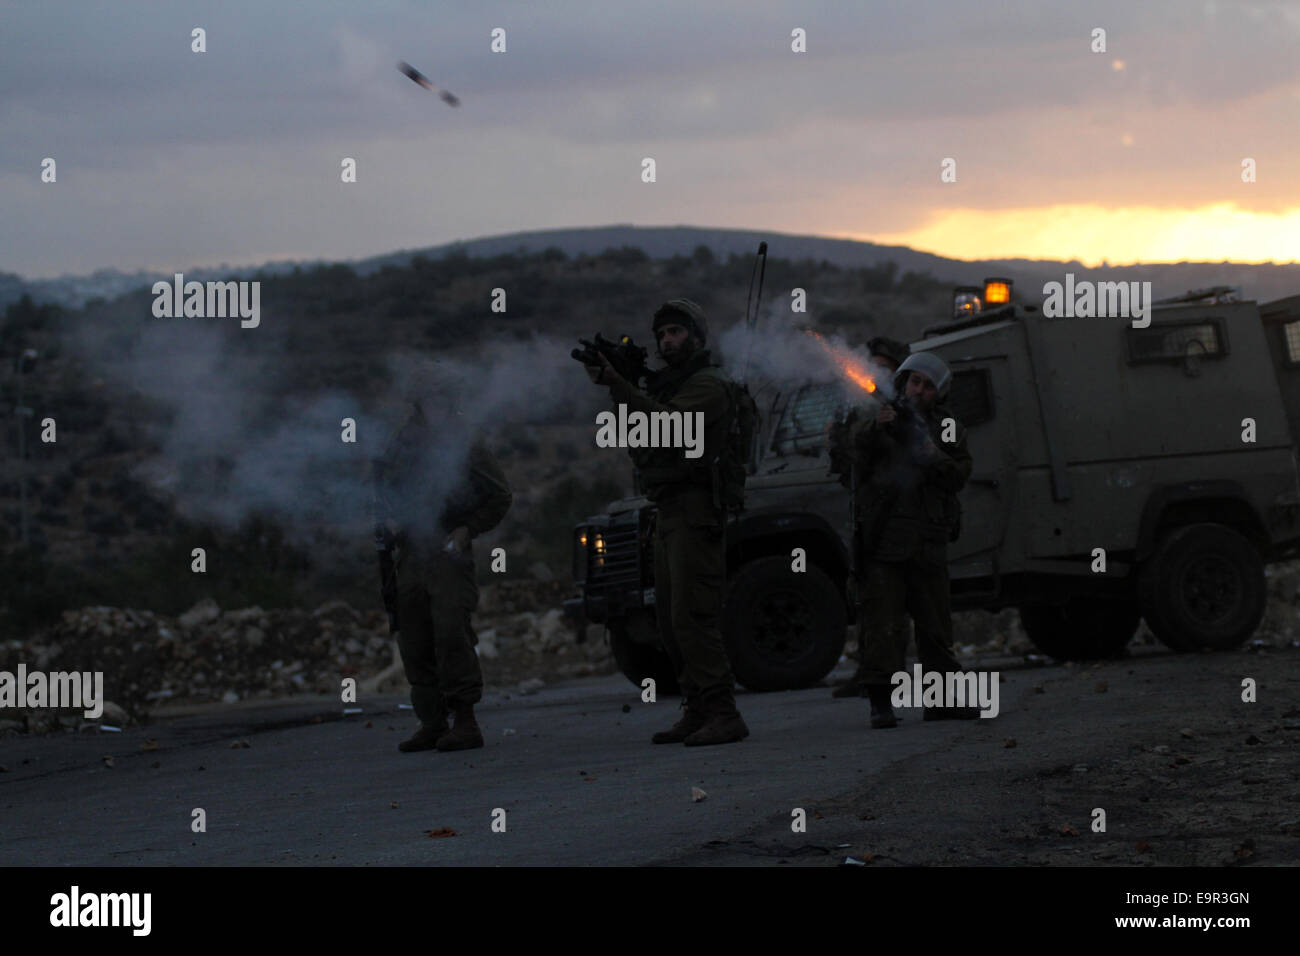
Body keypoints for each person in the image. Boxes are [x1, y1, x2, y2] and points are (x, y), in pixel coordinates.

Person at [583, 298, 749, 746]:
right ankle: (697, 708)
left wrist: (622, 384)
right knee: (671, 622)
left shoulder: (709, 386)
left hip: (697, 511)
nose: (667, 341)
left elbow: (670, 429)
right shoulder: (668, 387)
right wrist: (619, 385)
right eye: (661, 335)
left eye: (676, 332)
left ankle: (723, 711)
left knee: (694, 617)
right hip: (668, 510)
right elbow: (637, 434)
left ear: (696, 337)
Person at [837, 351, 975, 726]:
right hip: (884, 542)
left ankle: (942, 701)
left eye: (929, 386)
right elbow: (848, 454)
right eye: (915, 381)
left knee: (935, 627)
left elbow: (959, 474)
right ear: (903, 381)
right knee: (882, 625)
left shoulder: (946, 428)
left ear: (939, 394)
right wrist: (876, 430)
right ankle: (881, 703)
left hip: (928, 540)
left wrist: (931, 456)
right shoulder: (875, 417)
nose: (920, 390)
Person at [375, 392, 512, 753]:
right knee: (413, 637)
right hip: (411, 550)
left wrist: (468, 529)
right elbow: (386, 489)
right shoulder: (402, 443)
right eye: (426, 401)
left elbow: (499, 496)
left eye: (439, 400)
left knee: (451, 632)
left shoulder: (464, 442)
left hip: (448, 551)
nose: (433, 409)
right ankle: (431, 722)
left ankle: (465, 721)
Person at [827, 335, 909, 698]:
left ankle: (890, 673)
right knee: (865, 590)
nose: (875, 372)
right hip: (865, 504)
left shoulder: (902, 406)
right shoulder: (859, 405)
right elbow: (845, 450)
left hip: (896, 511)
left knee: (894, 597)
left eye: (884, 366)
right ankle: (870, 669)